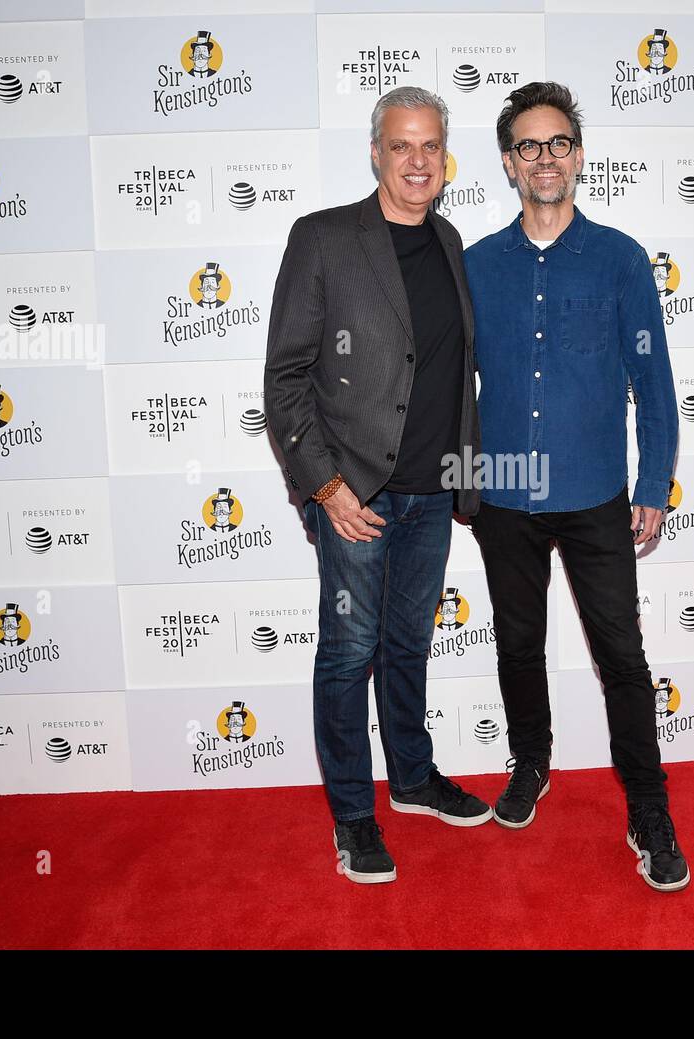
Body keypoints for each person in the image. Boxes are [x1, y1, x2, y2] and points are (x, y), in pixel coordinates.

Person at [463, 81, 689, 892]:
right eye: (529, 145)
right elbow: (448, 381)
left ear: (579, 156)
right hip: (506, 496)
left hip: (597, 494)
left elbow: (654, 383)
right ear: (507, 164)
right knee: (518, 645)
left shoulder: (622, 258)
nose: (546, 157)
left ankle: (649, 807)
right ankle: (532, 762)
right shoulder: (477, 263)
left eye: (559, 142)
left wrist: (654, 483)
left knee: (622, 657)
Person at [263, 86, 491, 886]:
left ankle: (415, 779)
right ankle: (354, 817)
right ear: (375, 152)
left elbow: (454, 372)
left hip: (432, 490)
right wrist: (325, 487)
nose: (418, 161)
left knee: (409, 643)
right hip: (354, 494)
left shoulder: (452, 240)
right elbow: (285, 379)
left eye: (430, 145)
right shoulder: (323, 238)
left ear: (445, 154)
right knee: (349, 650)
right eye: (402, 146)